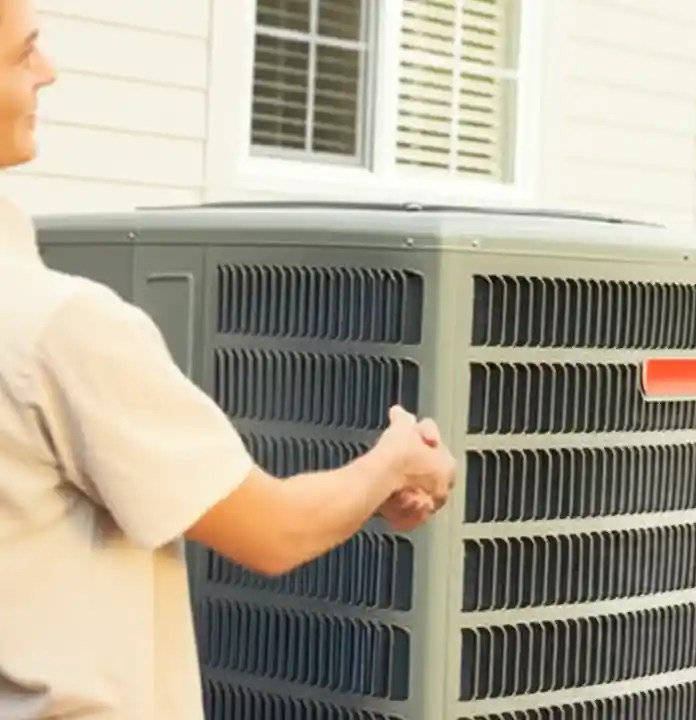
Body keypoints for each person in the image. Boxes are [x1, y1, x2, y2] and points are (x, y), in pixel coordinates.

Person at [0, 2, 457, 718]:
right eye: (24, 54)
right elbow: (275, 533)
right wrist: (395, 460)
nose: (50, 72)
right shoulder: (61, 328)